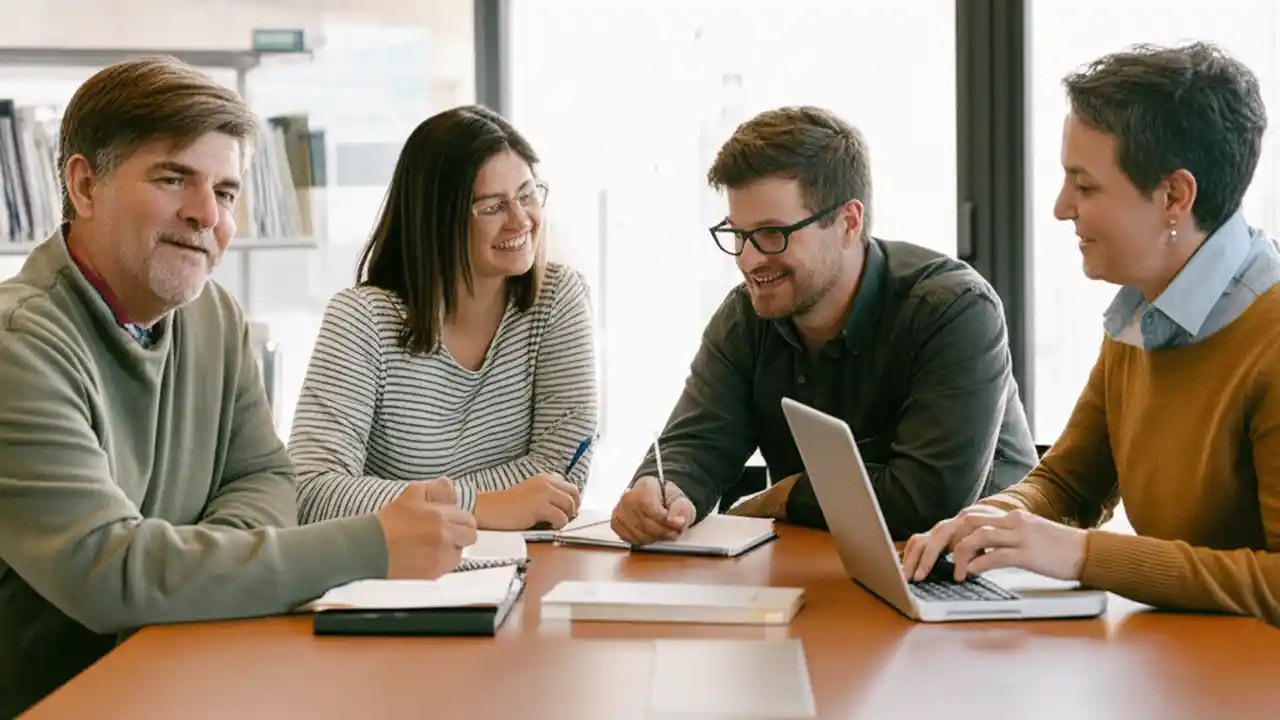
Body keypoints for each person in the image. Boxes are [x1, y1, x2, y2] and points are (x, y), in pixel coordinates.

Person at [0, 57, 477, 718]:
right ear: (84, 185)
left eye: (225, 192)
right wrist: (372, 545)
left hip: (188, 671)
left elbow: (262, 478)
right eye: (173, 179)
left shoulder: (212, 316)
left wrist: (193, 574)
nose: (206, 215)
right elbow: (109, 574)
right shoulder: (17, 343)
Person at [902, 42, 1280, 626]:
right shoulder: (1144, 308)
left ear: (1175, 196)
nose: (1060, 207)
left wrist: (1079, 554)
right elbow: (1069, 481)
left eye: (1085, 185)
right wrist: (997, 521)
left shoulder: (1270, 338)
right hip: (1180, 663)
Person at [610, 106, 1038, 545]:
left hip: (980, 579)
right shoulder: (748, 314)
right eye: (737, 233)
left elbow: (927, 500)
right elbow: (697, 443)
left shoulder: (954, 309)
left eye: (772, 233)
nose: (748, 259)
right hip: (827, 564)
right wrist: (664, 491)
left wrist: (785, 496)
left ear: (848, 223)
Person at [288, 105, 598, 531]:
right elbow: (312, 492)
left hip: (523, 568)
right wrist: (482, 505)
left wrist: (403, 500)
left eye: (527, 195)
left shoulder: (558, 299)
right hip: (392, 581)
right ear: (438, 218)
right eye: (492, 207)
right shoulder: (360, 320)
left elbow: (559, 479)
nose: (521, 219)